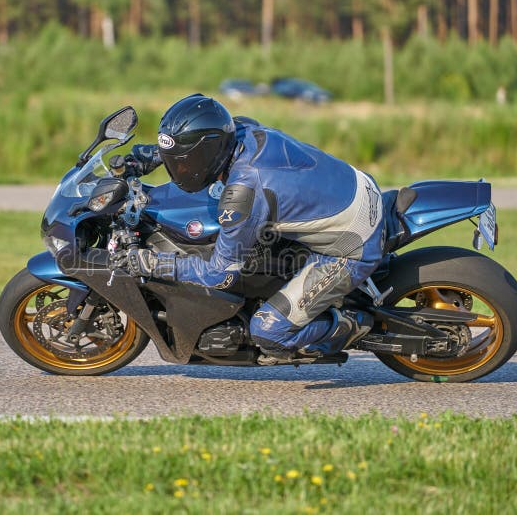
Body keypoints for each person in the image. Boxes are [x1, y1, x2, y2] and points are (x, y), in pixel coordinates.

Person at [113, 93, 384, 361]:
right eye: (174, 161)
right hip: (357, 186)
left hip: (351, 241)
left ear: (207, 154)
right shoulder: (240, 131)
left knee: (268, 332)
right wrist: (152, 156)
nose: (179, 169)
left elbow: (220, 274)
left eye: (183, 162)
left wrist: (152, 264)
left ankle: (349, 325)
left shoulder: (243, 193)